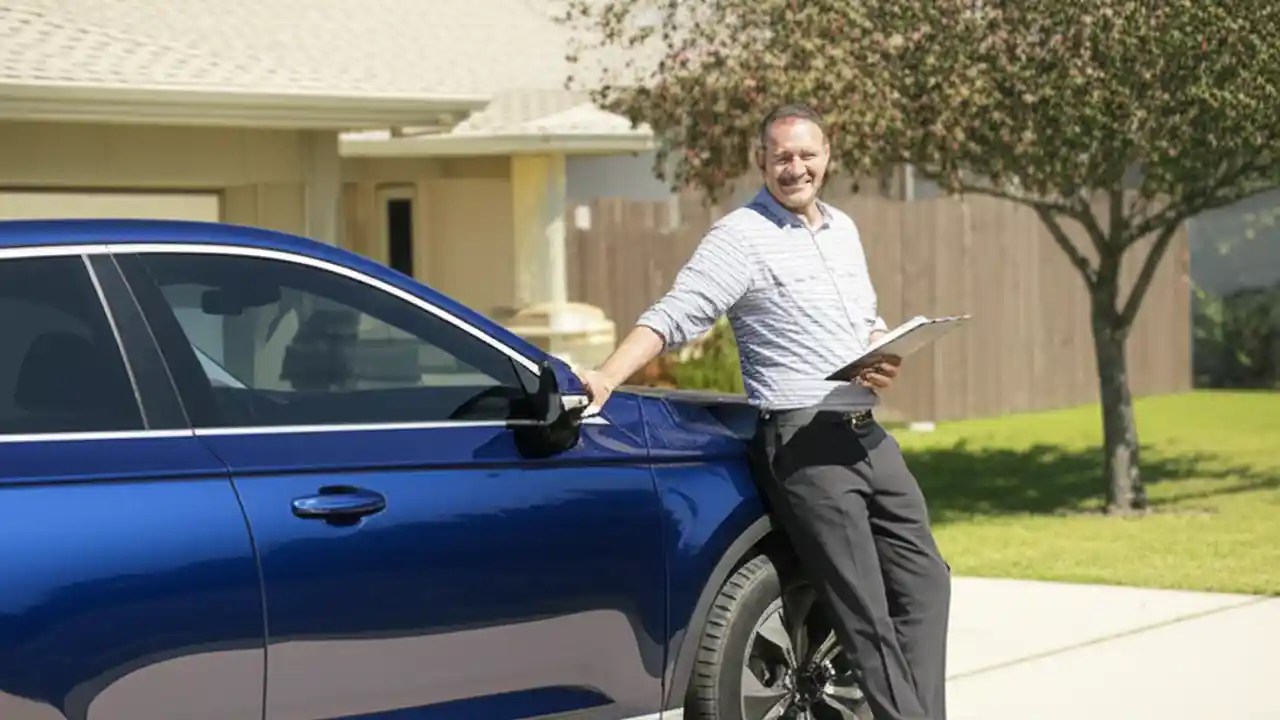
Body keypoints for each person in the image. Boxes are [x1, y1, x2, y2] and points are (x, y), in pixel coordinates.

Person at [575, 103, 951, 720]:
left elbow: (862, 323)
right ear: (761, 161)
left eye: (806, 155)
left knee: (926, 583)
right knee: (863, 609)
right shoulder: (739, 238)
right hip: (806, 444)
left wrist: (881, 354)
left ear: (827, 156)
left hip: (866, 435)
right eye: (781, 157)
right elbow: (674, 314)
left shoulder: (844, 231)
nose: (794, 168)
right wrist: (608, 377)